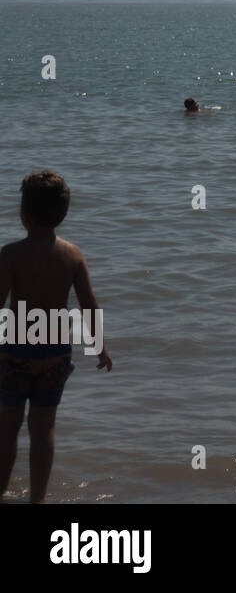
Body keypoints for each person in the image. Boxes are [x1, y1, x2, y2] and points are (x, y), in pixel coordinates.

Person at [0, 171, 112, 503]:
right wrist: (99, 348)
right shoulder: (73, 255)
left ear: (24, 214)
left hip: (16, 355)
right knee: (43, 430)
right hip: (54, 357)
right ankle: (38, 499)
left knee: (7, 430)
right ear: (62, 214)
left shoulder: (10, 254)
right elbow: (89, 305)